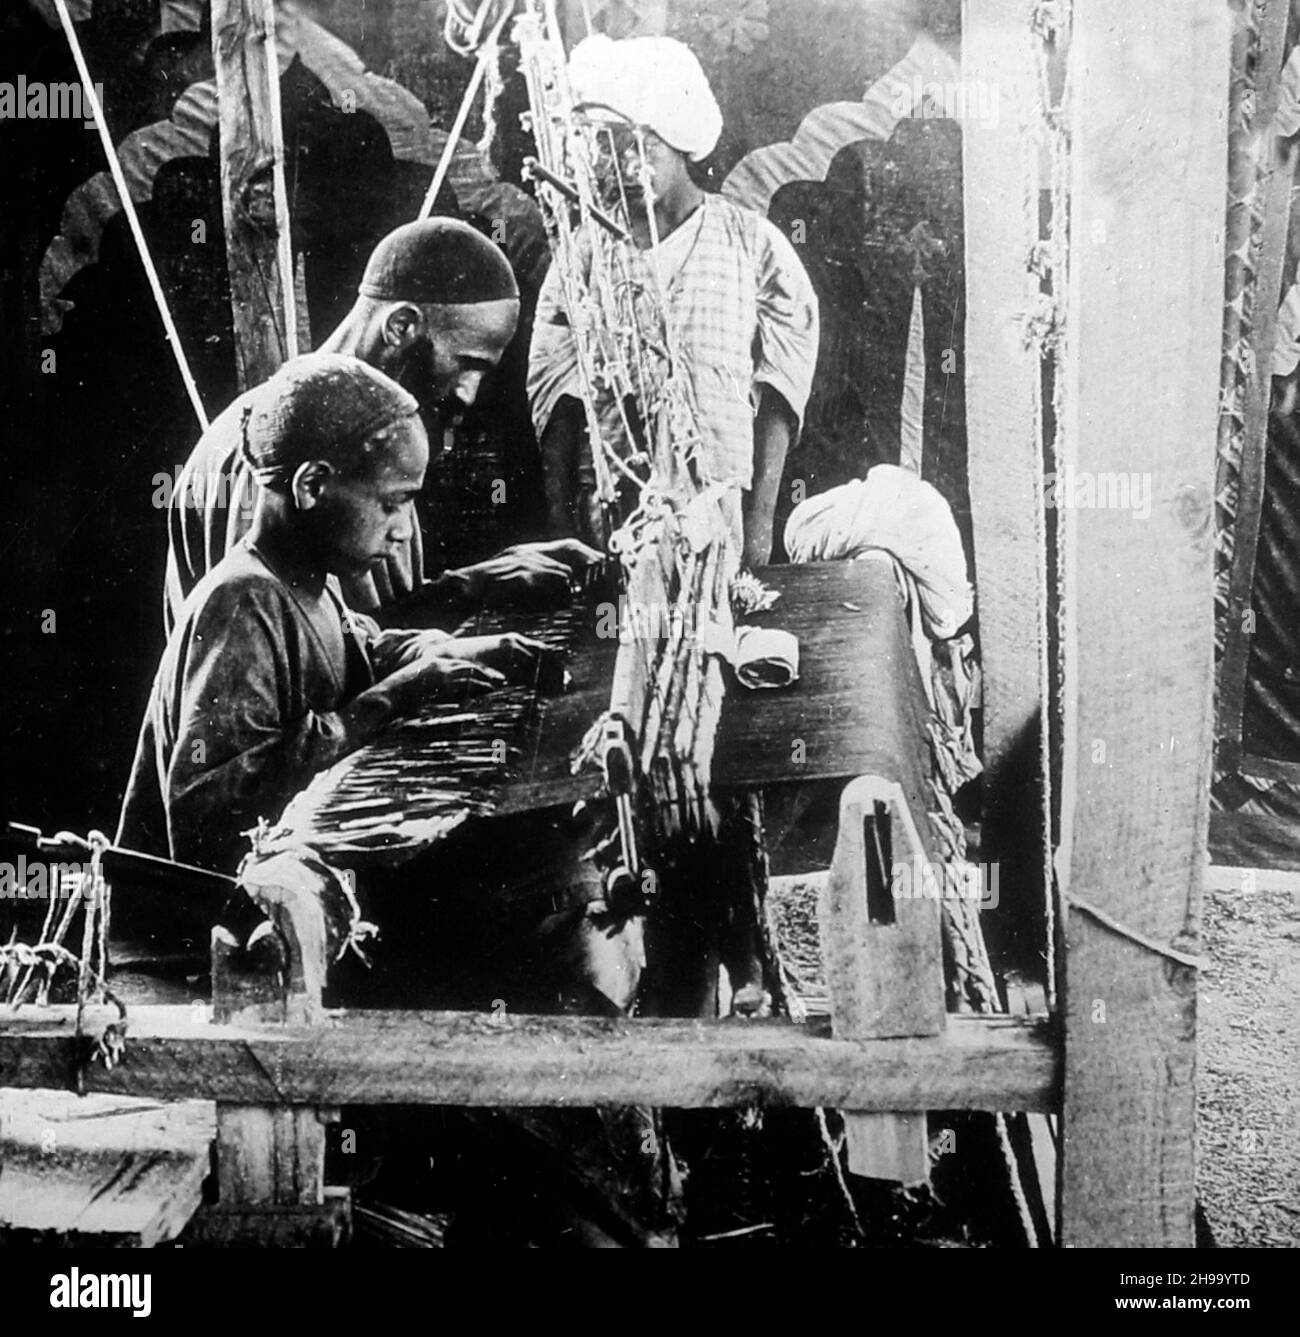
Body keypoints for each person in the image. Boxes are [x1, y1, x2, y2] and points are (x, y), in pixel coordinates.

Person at [122, 353, 548, 876]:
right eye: (393, 504)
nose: (403, 530)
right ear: (311, 486)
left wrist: (442, 653)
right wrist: (394, 697)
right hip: (208, 933)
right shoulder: (241, 602)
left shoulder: (310, 584)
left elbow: (363, 649)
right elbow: (214, 822)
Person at [165, 217, 599, 633]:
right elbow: (286, 661)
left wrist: (479, 582)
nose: (468, 394)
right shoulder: (274, 446)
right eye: (467, 364)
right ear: (401, 325)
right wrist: (472, 587)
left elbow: (361, 631)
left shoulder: (377, 438)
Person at [527, 34, 820, 567]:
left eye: (644, 148)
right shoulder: (585, 256)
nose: (625, 169)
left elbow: (781, 385)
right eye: (607, 150)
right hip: (615, 514)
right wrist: (561, 525)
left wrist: (760, 521)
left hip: (719, 507)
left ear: (680, 143)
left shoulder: (751, 244)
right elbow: (556, 395)